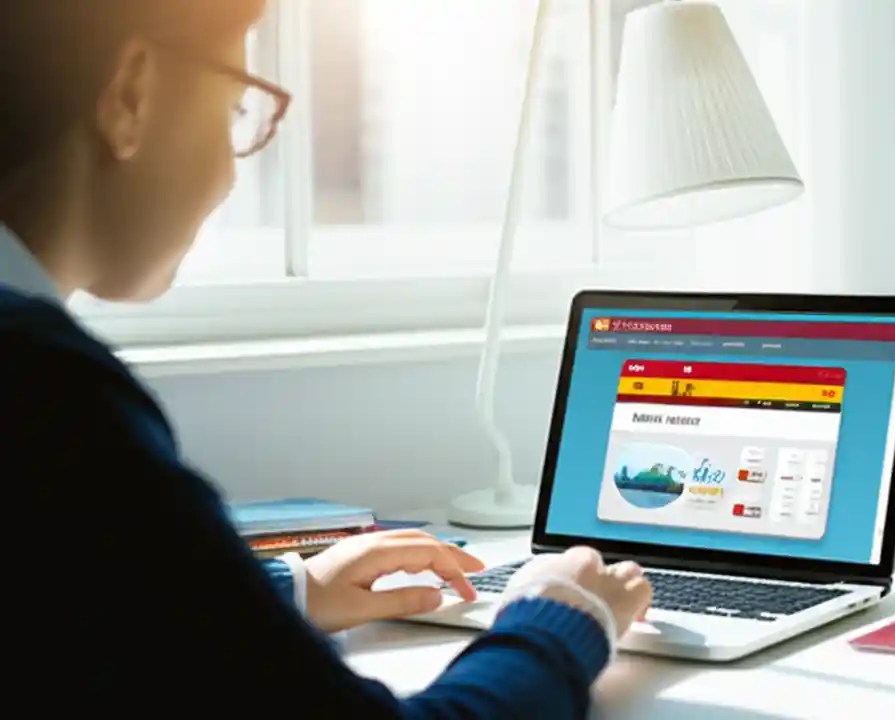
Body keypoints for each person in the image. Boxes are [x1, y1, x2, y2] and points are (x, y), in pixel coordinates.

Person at [0, 2, 651, 717]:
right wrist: (559, 616)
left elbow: (74, 604)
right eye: (236, 108)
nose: (227, 177)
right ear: (132, 92)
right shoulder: (49, 395)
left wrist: (287, 591)